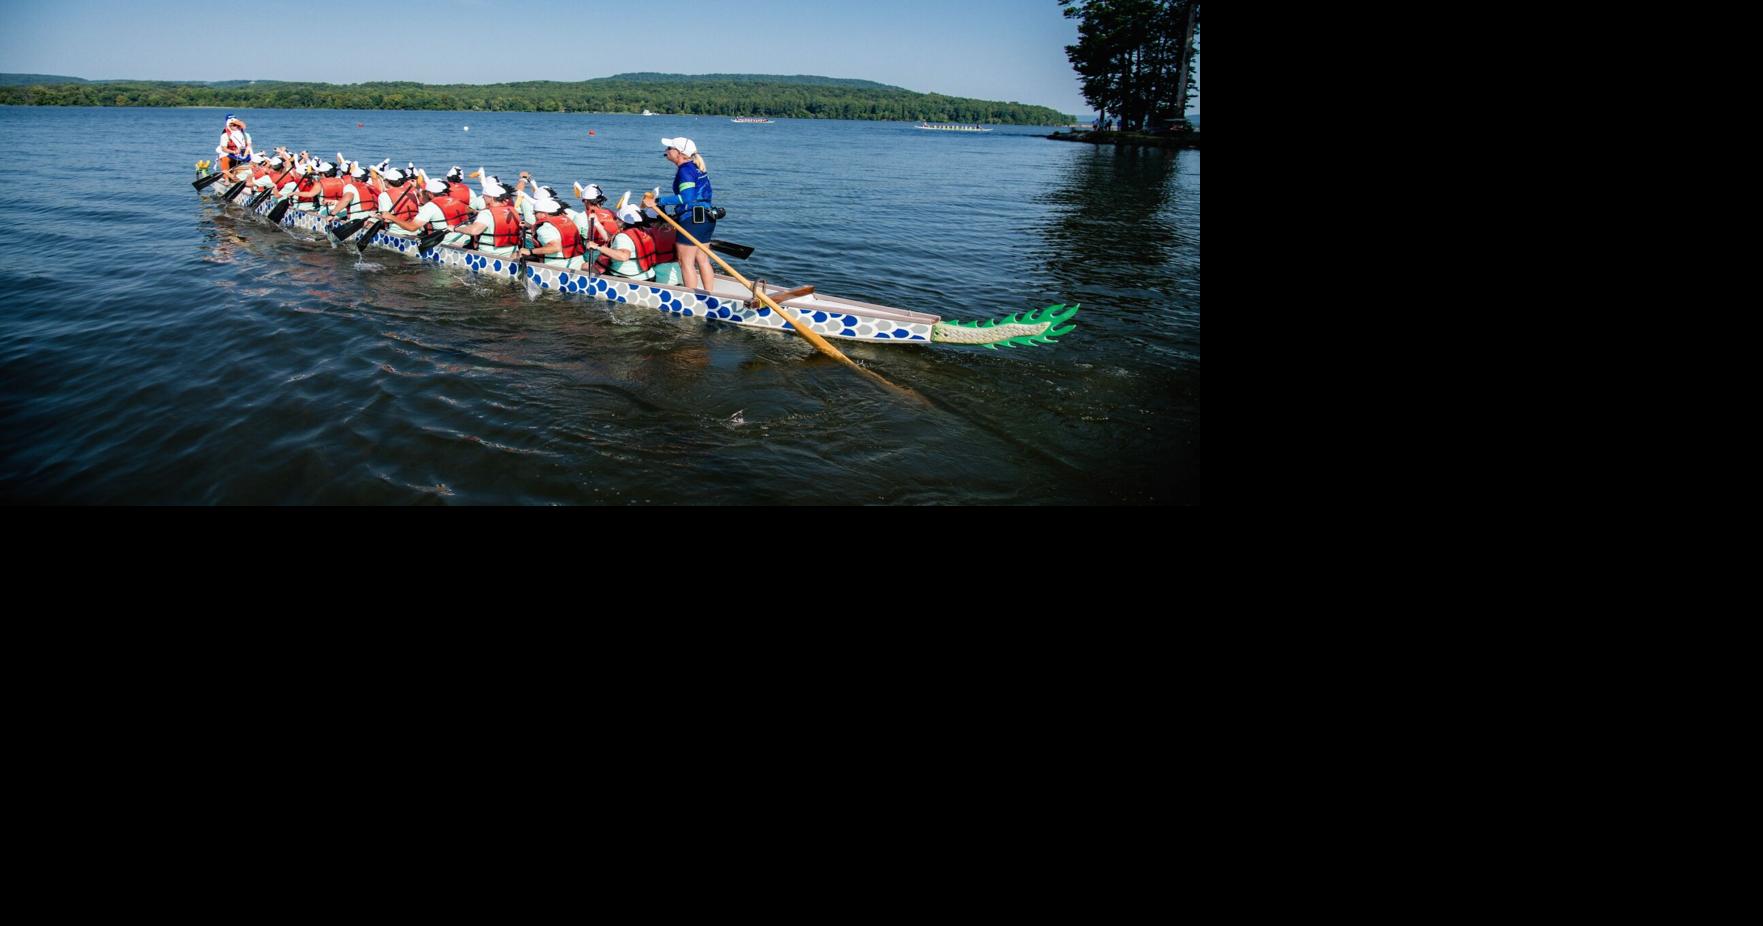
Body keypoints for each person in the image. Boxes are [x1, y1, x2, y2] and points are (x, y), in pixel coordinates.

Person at [645, 137, 716, 289]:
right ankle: (710, 294)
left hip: (691, 220)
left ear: (680, 153)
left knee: (686, 262)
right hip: (707, 218)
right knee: (702, 259)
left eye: (670, 148)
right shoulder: (696, 167)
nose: (666, 151)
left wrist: (658, 201)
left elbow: (687, 197)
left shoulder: (685, 170)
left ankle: (691, 299)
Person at [451, 175, 523, 258]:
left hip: (489, 255)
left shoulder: (486, 213)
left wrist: (455, 229)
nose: (483, 198)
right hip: (511, 252)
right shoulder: (513, 210)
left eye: (484, 196)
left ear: (491, 198)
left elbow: (474, 231)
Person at [519, 192, 590, 269]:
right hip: (577, 263)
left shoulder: (545, 228)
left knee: (517, 254)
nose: (534, 215)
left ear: (544, 214)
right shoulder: (567, 220)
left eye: (535, 212)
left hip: (558, 267)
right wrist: (531, 226)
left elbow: (555, 248)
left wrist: (530, 251)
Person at [598, 203, 660, 280]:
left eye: (616, 218)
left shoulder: (623, 237)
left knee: (585, 266)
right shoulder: (645, 231)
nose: (615, 220)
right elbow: (613, 241)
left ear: (622, 221)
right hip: (649, 275)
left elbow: (624, 256)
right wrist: (597, 224)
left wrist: (598, 247)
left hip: (627, 278)